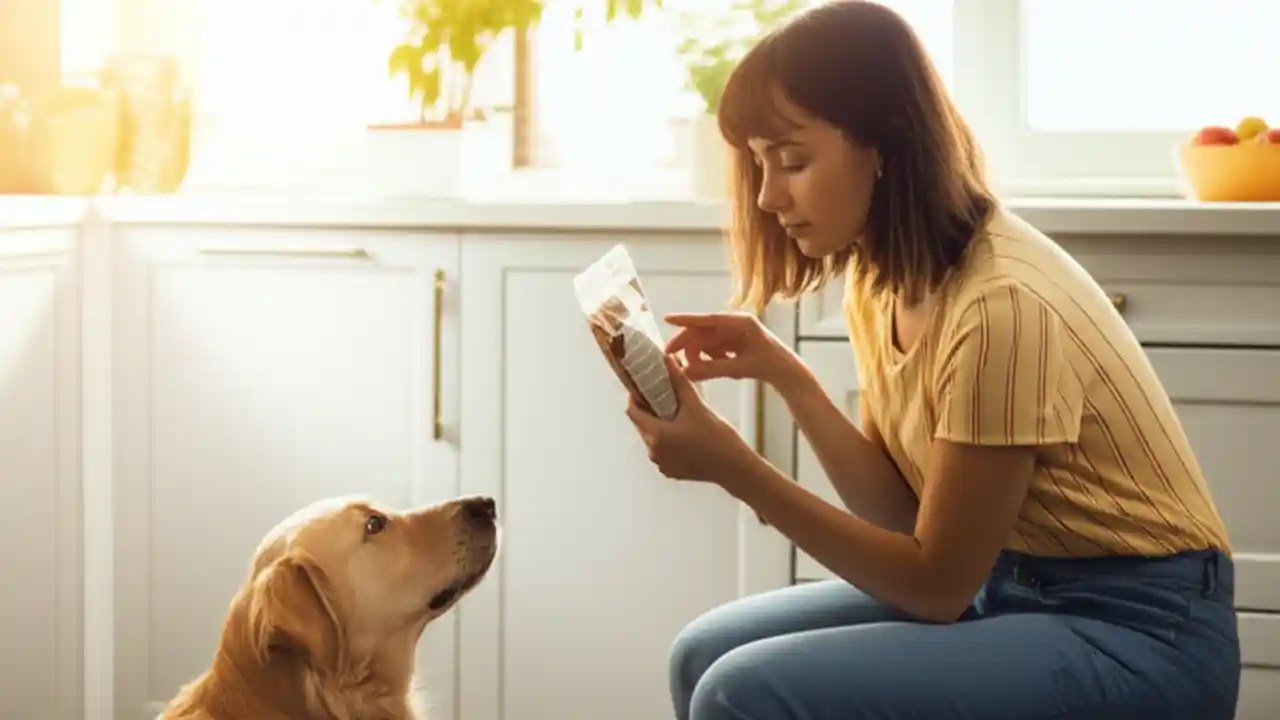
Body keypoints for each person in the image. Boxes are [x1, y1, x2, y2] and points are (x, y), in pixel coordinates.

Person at [623, 2, 1241, 718]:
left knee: (741, 691)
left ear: (887, 146)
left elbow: (936, 586)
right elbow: (903, 523)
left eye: (792, 161)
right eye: (760, 164)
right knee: (701, 653)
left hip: (1140, 633)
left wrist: (737, 468)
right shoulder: (883, 279)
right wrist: (785, 374)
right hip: (1010, 586)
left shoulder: (1000, 305)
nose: (767, 197)